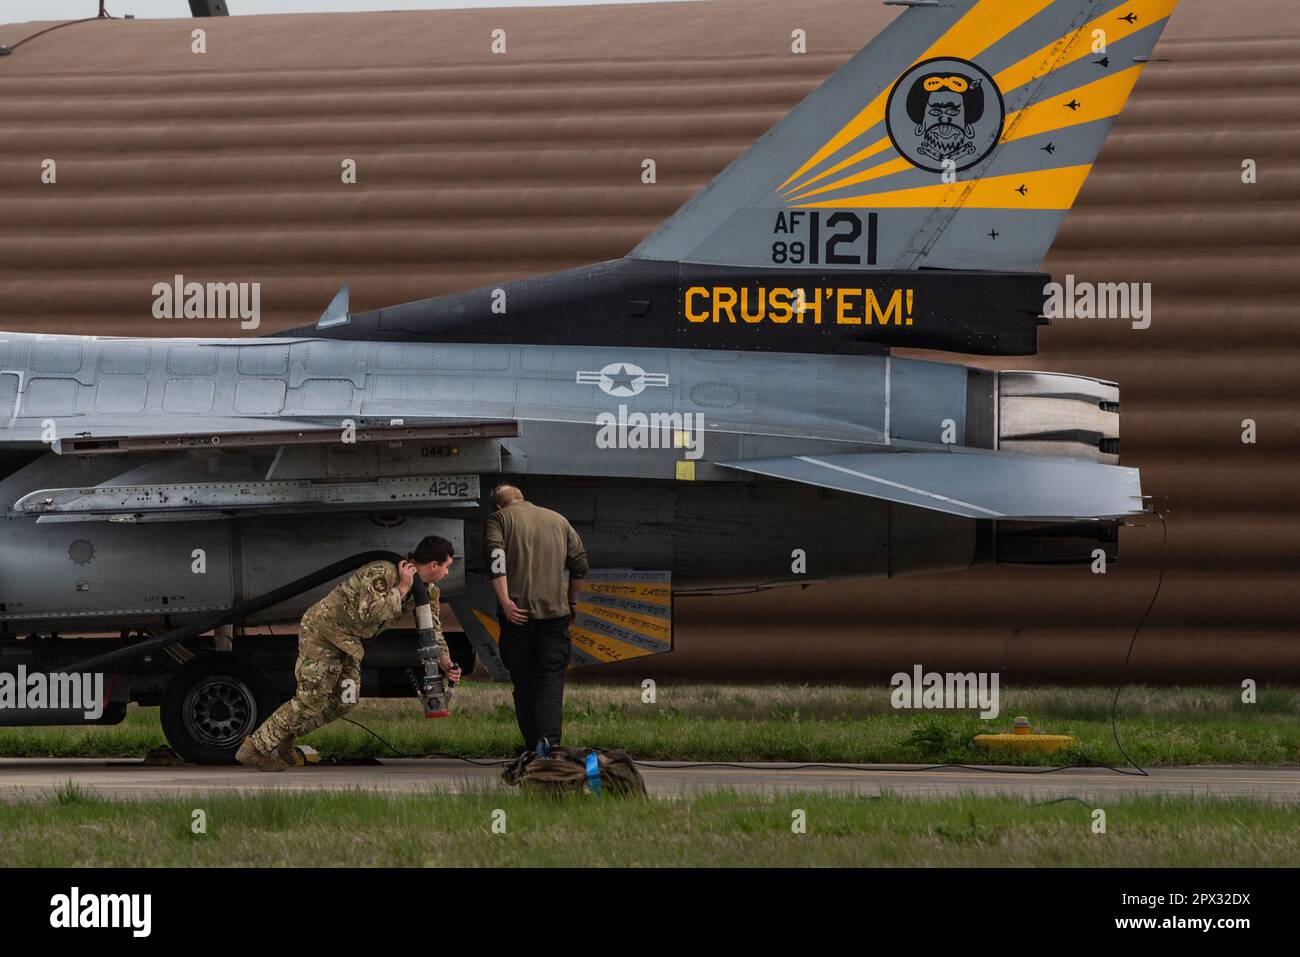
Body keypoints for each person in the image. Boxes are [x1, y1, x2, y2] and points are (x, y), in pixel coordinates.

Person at [236, 535, 461, 771]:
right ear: (433, 565)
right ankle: (254, 748)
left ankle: (286, 734)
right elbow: (369, 614)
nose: (447, 573)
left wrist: (444, 661)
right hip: (322, 632)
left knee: (346, 700)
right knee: (311, 698)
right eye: (447, 567)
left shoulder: (427, 591)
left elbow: (432, 629)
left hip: (349, 642)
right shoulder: (384, 573)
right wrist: (403, 588)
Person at [484, 484, 588, 752]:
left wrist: (506, 601)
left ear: (498, 506)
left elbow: (495, 559)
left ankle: (532, 747)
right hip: (556, 618)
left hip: (517, 618)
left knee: (524, 681)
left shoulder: (499, 519)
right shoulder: (558, 520)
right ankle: (549, 747)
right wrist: (572, 600)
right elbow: (580, 565)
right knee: (550, 682)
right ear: (521, 498)